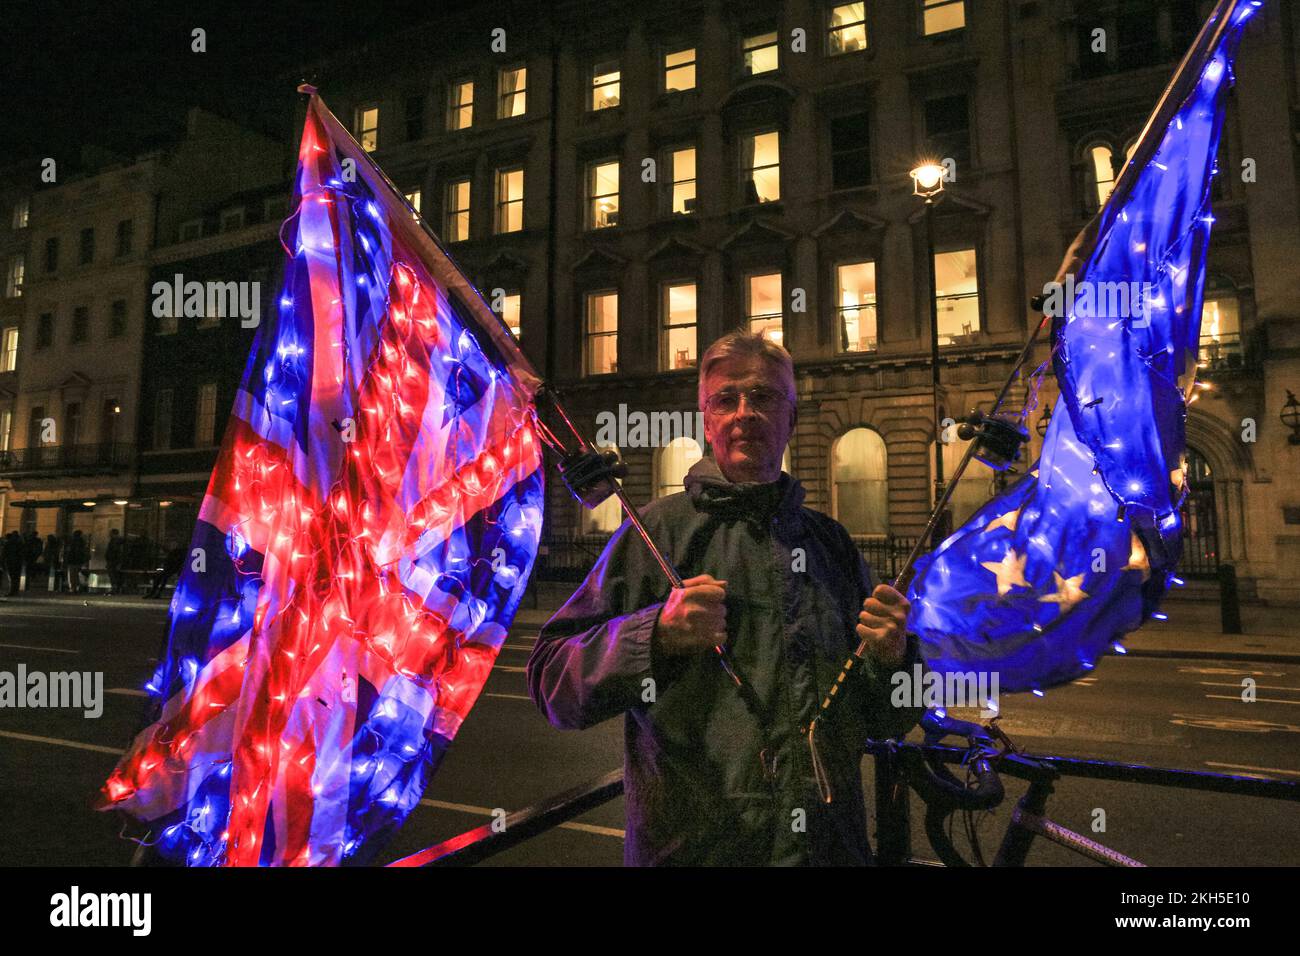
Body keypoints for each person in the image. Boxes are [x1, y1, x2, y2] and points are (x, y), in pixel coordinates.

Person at [527, 330, 926, 866]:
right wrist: (655, 636)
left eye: (764, 397)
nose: (745, 413)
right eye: (726, 399)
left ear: (791, 419)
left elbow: (887, 718)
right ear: (707, 420)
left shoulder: (829, 545)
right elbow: (553, 683)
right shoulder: (656, 534)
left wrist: (893, 659)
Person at [2, 532, 23, 597]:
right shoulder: (20, 543)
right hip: (17, 563)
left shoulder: (8, 543)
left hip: (10, 562)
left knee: (11, 578)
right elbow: (22, 553)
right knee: (16, 578)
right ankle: (15, 591)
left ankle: (12, 591)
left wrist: (2, 562)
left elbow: (4, 554)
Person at [105, 528, 125, 595]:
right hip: (114, 561)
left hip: (113, 561)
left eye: (110, 533)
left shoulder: (115, 541)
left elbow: (114, 552)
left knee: (113, 575)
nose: (109, 534)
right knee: (115, 575)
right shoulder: (117, 541)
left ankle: (115, 589)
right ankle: (116, 588)